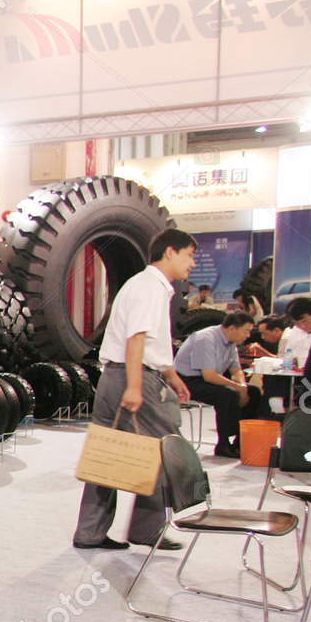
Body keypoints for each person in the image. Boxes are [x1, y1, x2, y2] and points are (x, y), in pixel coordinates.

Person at [73, 228, 197, 551]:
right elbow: (136, 339)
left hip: (120, 377)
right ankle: (145, 528)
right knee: (164, 448)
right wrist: (136, 386)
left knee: (108, 453)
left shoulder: (147, 286)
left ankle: (90, 532)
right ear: (170, 252)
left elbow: (149, 341)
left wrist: (171, 375)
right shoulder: (149, 287)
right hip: (131, 377)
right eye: (190, 255)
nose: (192, 263)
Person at [174, 312, 262, 458]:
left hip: (209, 379)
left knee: (254, 392)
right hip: (186, 381)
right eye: (246, 331)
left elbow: (236, 369)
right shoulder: (205, 338)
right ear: (233, 328)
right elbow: (209, 375)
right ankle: (223, 444)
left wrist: (243, 386)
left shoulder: (231, 341)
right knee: (228, 394)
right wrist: (238, 388)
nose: (248, 336)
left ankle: (241, 442)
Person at [279, 296, 311, 373]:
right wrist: (290, 361)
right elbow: (288, 355)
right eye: (297, 323)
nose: (302, 326)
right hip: (299, 376)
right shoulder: (294, 330)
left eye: (304, 321)